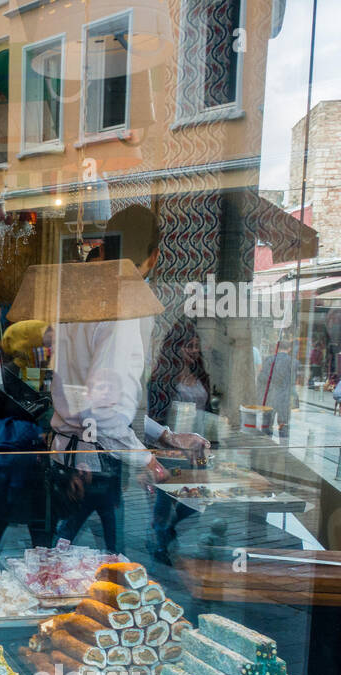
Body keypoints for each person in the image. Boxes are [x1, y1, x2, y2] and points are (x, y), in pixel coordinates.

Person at [49, 205, 168, 552]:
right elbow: (104, 412)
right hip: (94, 462)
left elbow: (88, 396)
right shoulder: (121, 308)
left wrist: (162, 434)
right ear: (153, 257)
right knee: (109, 562)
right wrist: (146, 459)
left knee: (63, 557)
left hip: (66, 454)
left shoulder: (78, 298)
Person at [0, 325, 50, 571]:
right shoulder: (5, 375)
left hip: (37, 468)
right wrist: (31, 434)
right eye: (44, 343)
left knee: (41, 526)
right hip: (5, 466)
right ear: (27, 345)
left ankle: (45, 580)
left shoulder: (43, 374)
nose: (49, 349)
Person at [146, 322, 214, 562]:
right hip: (171, 449)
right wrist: (169, 438)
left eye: (196, 346)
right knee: (167, 498)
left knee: (197, 500)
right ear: (175, 348)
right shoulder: (162, 378)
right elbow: (153, 415)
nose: (193, 351)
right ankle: (161, 543)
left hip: (198, 449)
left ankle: (168, 530)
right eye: (188, 346)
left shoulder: (200, 374)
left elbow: (208, 409)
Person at [256, 340, 296, 439]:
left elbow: (262, 378)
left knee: (267, 423)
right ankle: (284, 446)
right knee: (284, 424)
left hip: (271, 395)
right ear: (289, 349)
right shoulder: (294, 362)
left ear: (276, 348)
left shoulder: (269, 360)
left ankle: (266, 445)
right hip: (285, 397)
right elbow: (293, 382)